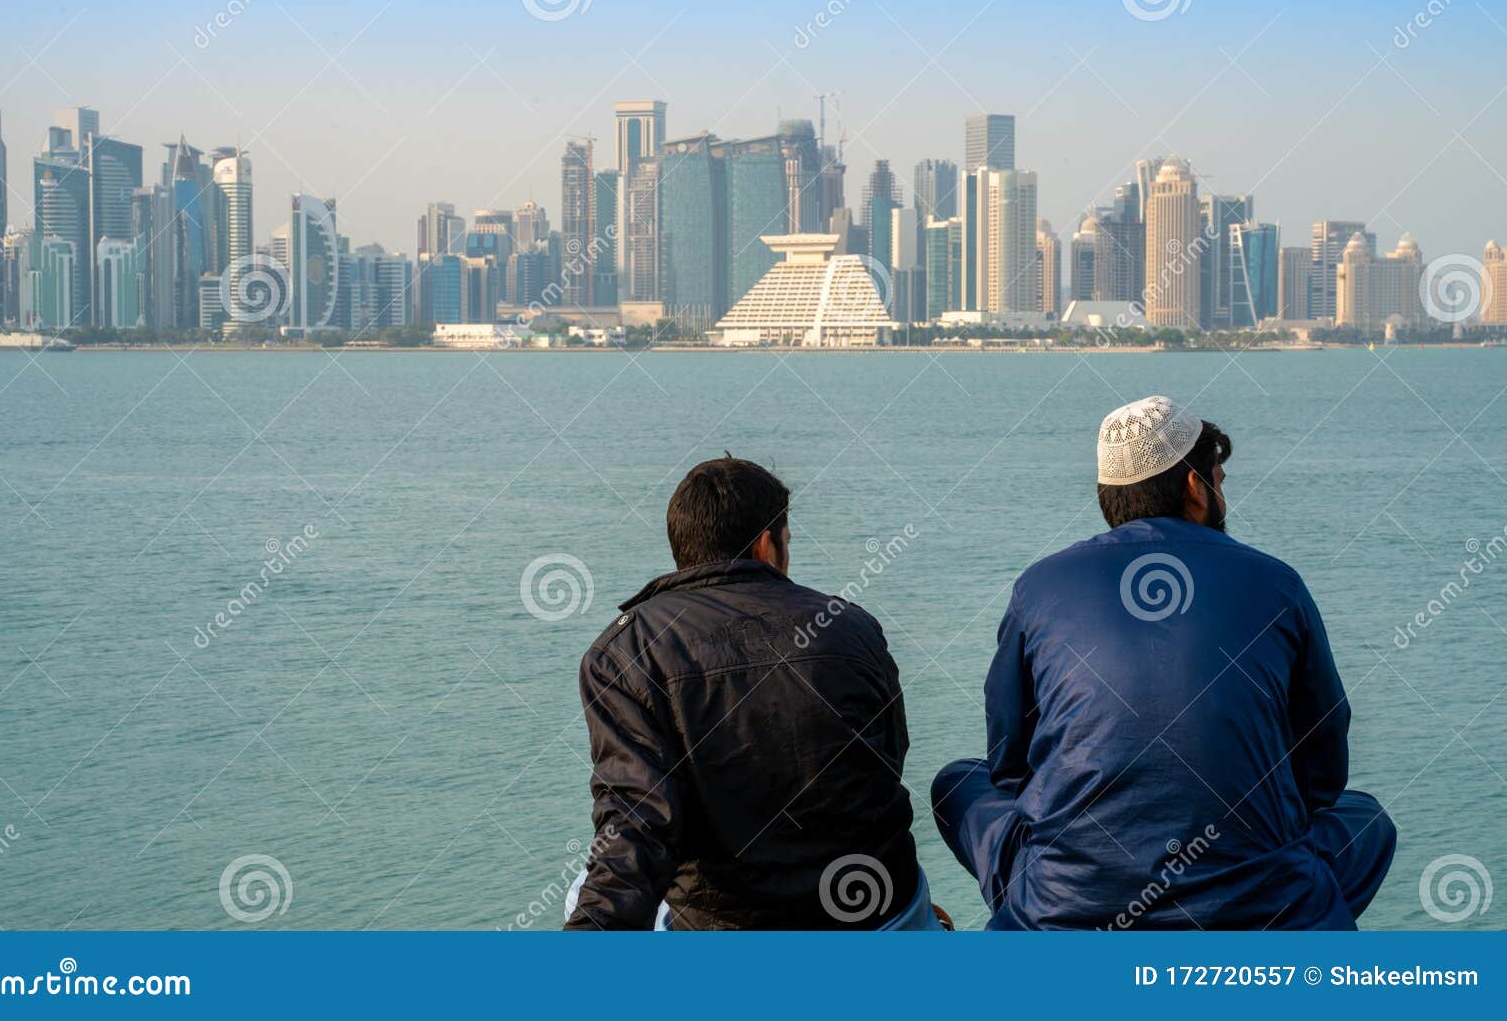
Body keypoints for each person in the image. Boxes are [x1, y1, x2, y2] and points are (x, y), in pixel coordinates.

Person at [932, 395, 1396, 930]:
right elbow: (1323, 764)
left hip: (1063, 906)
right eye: (1220, 479)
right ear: (1197, 488)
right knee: (1366, 819)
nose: (1222, 492)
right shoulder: (1276, 582)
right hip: (1264, 902)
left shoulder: (1039, 585)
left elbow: (1009, 764)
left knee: (958, 784)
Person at [565, 456, 939, 930]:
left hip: (731, 928)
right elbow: (889, 757)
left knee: (582, 887)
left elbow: (638, 827)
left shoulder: (628, 651)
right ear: (767, 546)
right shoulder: (852, 625)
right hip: (887, 913)